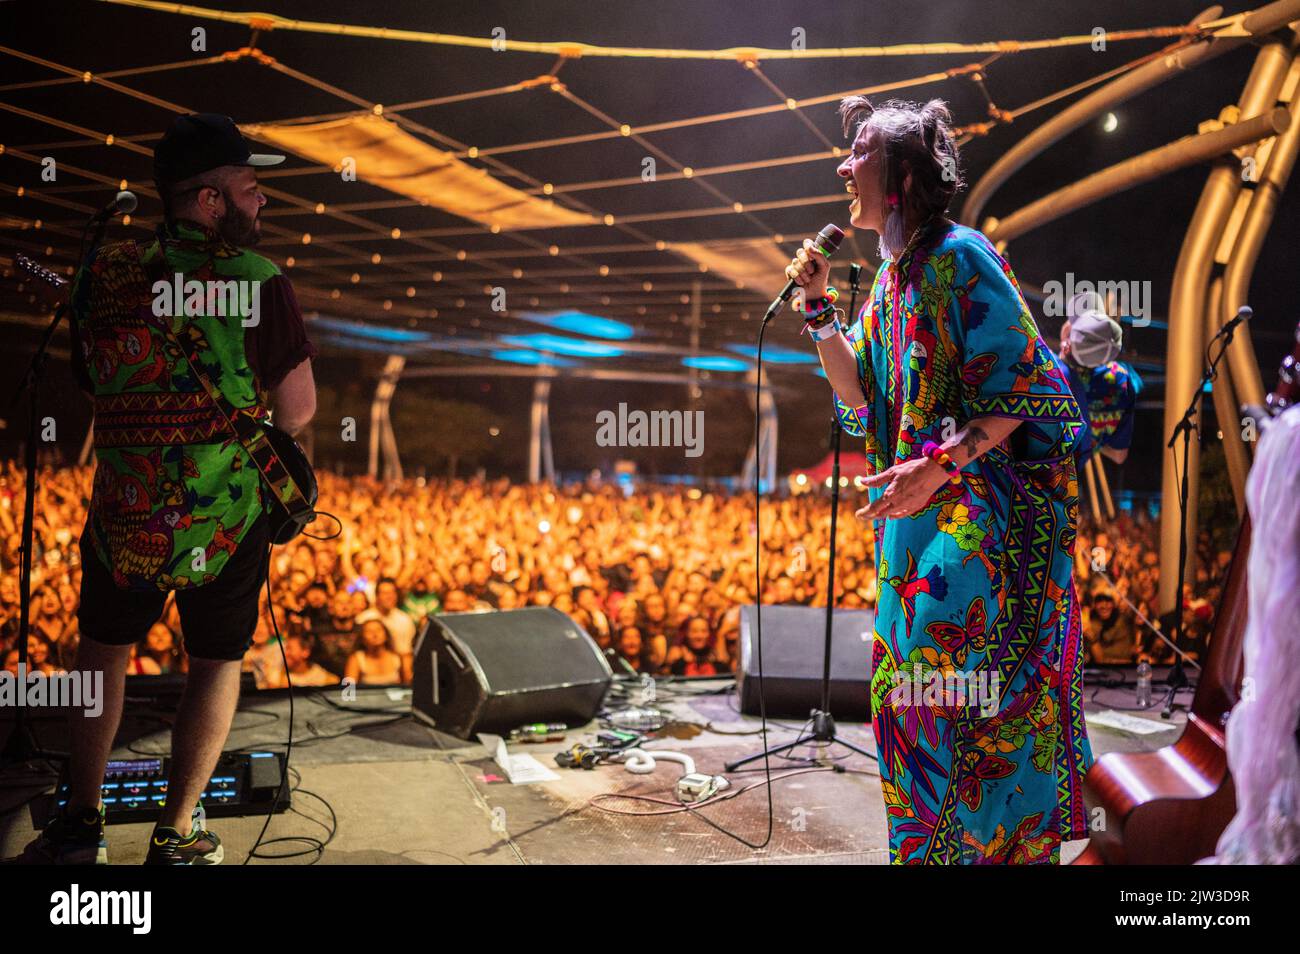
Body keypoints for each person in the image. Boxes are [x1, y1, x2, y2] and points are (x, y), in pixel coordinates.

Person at [786, 97, 1092, 864]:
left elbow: (1030, 389)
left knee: (963, 713)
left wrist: (941, 465)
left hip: (975, 540)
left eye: (857, 152)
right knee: (908, 714)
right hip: (910, 540)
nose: (841, 165)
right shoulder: (891, 281)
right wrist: (820, 308)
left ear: (900, 176)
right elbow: (859, 395)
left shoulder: (961, 257)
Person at [20, 113, 316, 866]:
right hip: (223, 520)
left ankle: (79, 821)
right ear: (210, 200)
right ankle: (178, 831)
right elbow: (298, 410)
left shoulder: (108, 274)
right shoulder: (256, 282)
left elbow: (93, 384)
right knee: (216, 661)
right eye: (251, 189)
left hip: (125, 511)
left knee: (102, 655)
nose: (264, 203)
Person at [1058, 296, 1142, 467]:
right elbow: (1119, 455)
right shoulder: (1122, 381)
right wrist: (1095, 441)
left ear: (1068, 338)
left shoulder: (1054, 375)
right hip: (1068, 476)